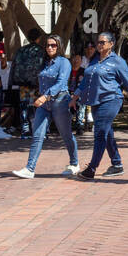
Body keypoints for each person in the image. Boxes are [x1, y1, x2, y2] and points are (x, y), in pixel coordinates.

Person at [13, 34, 78, 178]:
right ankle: (30, 169)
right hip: (44, 104)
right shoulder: (44, 62)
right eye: (48, 45)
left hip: (60, 102)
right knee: (37, 135)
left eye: (53, 45)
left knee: (66, 135)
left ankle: (74, 163)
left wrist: (45, 96)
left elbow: (61, 83)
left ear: (59, 46)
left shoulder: (64, 63)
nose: (50, 48)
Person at [75, 31, 128, 180]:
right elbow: (85, 81)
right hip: (95, 101)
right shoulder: (95, 60)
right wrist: (74, 96)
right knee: (107, 133)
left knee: (100, 133)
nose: (99, 45)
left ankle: (91, 168)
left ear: (111, 44)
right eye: (98, 42)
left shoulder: (118, 61)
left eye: (102, 42)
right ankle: (117, 164)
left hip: (111, 100)